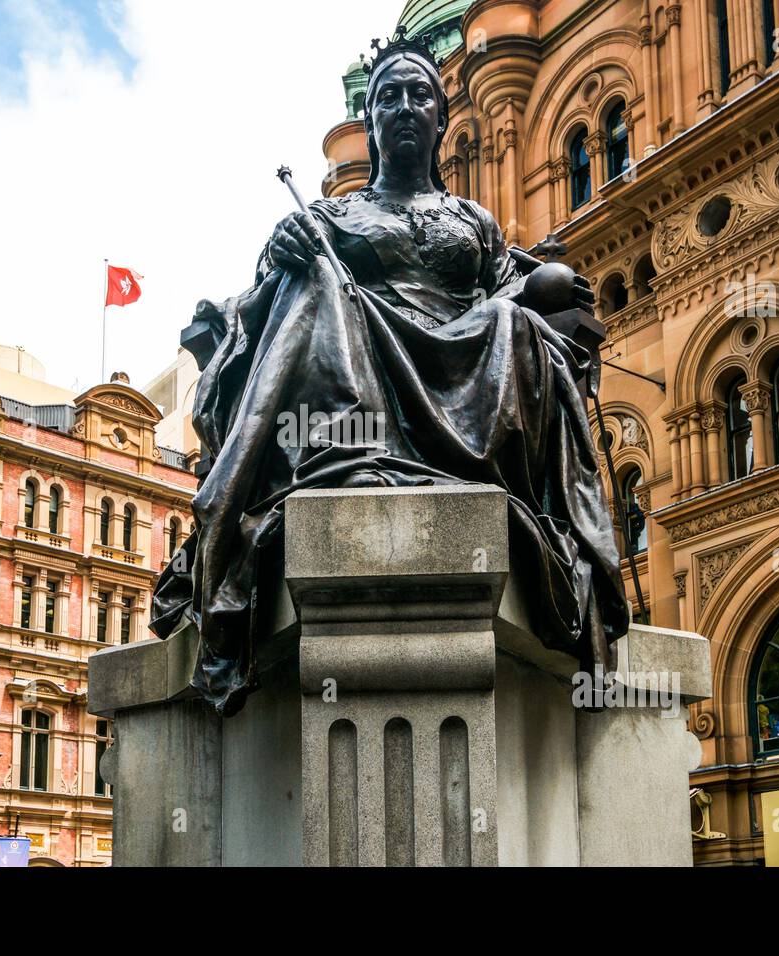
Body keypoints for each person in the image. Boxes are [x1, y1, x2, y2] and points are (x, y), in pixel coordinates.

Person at [152, 36, 628, 716]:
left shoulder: (474, 221)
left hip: (467, 358)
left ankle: (389, 453)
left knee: (512, 327)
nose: (404, 107)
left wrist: (540, 291)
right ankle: (347, 452)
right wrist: (278, 252)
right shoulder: (331, 216)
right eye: (387, 98)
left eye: (420, 96)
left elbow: (507, 294)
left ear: (440, 118)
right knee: (316, 284)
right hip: (359, 351)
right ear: (369, 123)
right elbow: (265, 306)